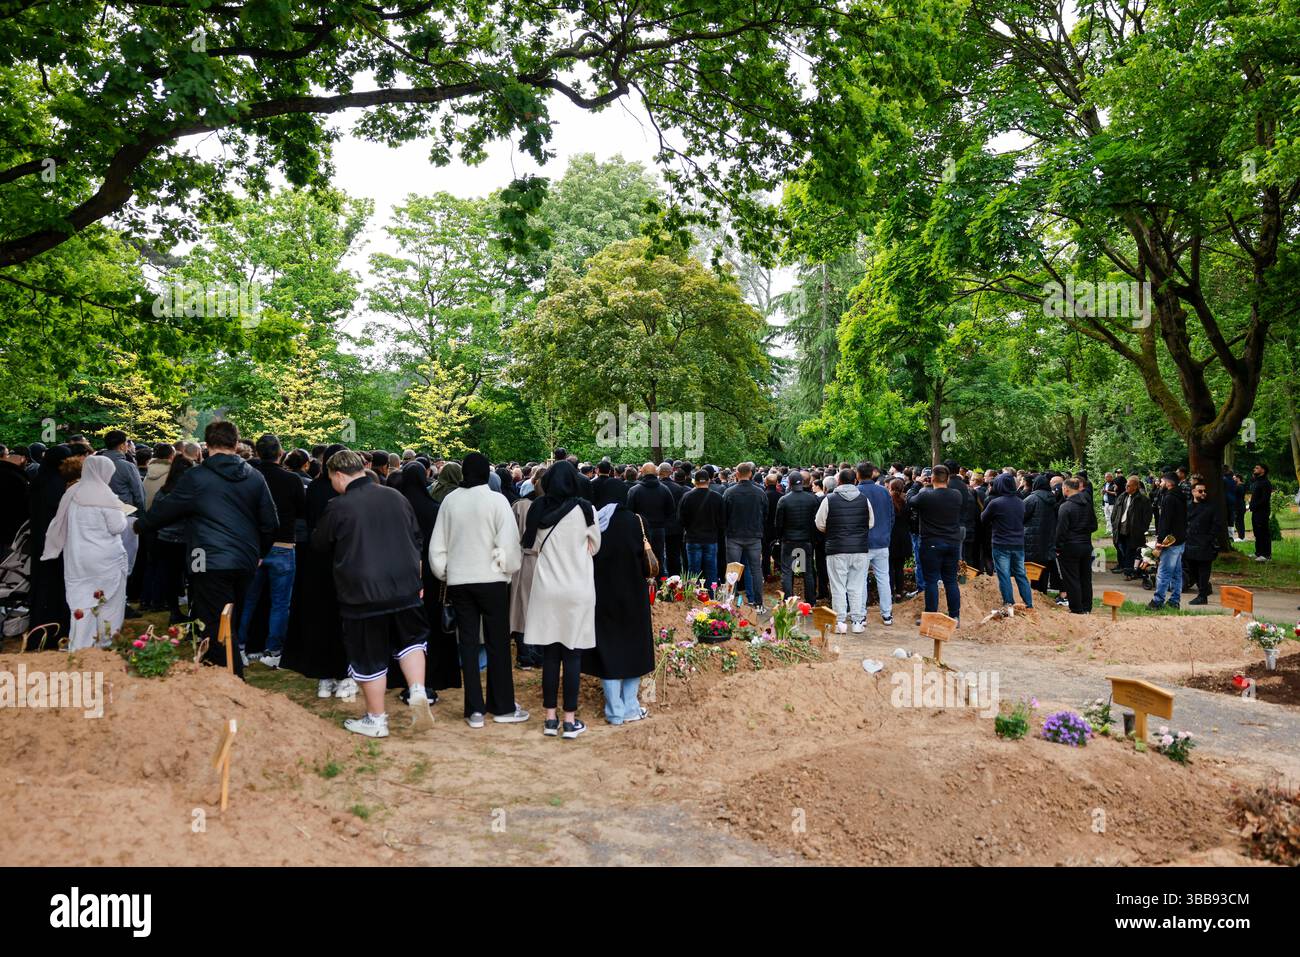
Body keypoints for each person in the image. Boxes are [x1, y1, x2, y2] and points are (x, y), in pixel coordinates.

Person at [133, 420, 278, 678]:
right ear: (236, 442)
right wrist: (258, 553)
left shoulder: (197, 477)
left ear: (207, 445)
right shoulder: (254, 477)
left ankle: (229, 678)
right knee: (228, 620)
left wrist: (139, 525)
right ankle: (222, 673)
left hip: (207, 560)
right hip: (242, 560)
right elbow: (270, 523)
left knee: (213, 621)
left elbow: (168, 508)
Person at [310, 450, 433, 738]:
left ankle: (376, 719)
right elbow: (417, 537)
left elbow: (319, 543)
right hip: (405, 585)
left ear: (339, 475)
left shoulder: (339, 506)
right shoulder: (396, 496)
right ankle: (417, 689)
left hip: (362, 592)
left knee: (369, 654)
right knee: (412, 640)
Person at [428, 451, 528, 728]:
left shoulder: (450, 501)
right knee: (497, 643)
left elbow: (438, 545)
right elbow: (508, 543)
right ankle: (503, 706)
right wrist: (505, 568)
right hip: (493, 581)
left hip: (460, 582)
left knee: (468, 644)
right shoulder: (497, 501)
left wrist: (448, 572)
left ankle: (474, 709)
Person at [521, 461, 600, 739]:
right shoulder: (585, 509)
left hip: (547, 589)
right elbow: (595, 546)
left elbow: (529, 545)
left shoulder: (538, 509)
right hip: (577, 588)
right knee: (573, 654)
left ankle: (550, 719)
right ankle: (569, 720)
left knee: (551, 655)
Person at [283, 444, 354, 699]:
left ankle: (324, 676)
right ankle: (343, 675)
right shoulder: (345, 493)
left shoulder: (314, 488)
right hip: (342, 562)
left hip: (317, 562)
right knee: (343, 619)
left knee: (321, 619)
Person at [40, 455, 132, 650]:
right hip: (106, 558)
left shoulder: (72, 492)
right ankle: (105, 643)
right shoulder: (105, 494)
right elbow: (117, 526)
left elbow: (60, 521)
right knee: (109, 603)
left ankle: (80, 644)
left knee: (81, 601)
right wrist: (122, 514)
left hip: (77, 557)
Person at [584, 479, 655, 725]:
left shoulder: (593, 524)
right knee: (634, 649)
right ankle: (630, 706)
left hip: (601, 594)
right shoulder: (638, 522)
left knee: (608, 649)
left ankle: (613, 710)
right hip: (633, 594)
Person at [239, 434, 306, 668]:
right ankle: (273, 649)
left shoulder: (248, 478)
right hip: (283, 545)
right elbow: (301, 510)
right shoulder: (291, 480)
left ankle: (240, 646)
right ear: (280, 453)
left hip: (254, 545)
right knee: (280, 602)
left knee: (248, 600)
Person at [815, 467, 873, 633]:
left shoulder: (829, 499)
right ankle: (857, 622)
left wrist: (832, 530)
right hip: (860, 549)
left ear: (838, 481)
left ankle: (840, 622)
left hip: (836, 548)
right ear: (855, 481)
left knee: (838, 586)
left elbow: (819, 523)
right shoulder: (864, 499)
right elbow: (871, 523)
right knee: (856, 586)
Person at [906, 465, 963, 623]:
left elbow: (910, 501)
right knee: (951, 580)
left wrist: (917, 484)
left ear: (931, 479)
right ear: (948, 479)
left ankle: (931, 616)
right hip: (952, 543)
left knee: (931, 580)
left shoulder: (925, 496)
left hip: (931, 543)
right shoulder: (957, 495)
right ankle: (954, 616)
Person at [149, 454, 193, 624]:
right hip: (188, 542)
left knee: (170, 578)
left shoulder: (163, 492)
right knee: (195, 577)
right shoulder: (190, 494)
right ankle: (192, 611)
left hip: (165, 540)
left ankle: (174, 611)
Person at [510, 470, 546, 669]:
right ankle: (538, 654)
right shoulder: (556, 508)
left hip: (525, 561)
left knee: (523, 608)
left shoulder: (521, 505)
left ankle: (526, 656)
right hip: (544, 561)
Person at [980, 472, 1033, 610]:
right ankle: (1029, 604)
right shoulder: (1021, 502)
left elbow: (983, 519)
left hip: (1000, 543)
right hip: (1018, 543)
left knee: (1004, 575)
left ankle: (1009, 602)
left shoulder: (995, 503)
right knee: (1021, 574)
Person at [722, 462, 768, 611]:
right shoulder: (760, 492)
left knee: (732, 571)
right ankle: (758, 603)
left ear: (737, 474)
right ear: (750, 474)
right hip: (754, 536)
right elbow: (765, 513)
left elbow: (724, 515)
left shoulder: (729, 492)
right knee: (756, 569)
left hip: (734, 535)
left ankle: (728, 602)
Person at [856, 462, 895, 626]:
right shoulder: (884, 492)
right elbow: (891, 516)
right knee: (883, 578)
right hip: (882, 541)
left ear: (858, 475)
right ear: (872, 473)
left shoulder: (857, 492)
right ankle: (887, 614)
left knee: (860, 579)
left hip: (862, 543)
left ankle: (861, 615)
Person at [775, 471, 818, 602]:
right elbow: (815, 521)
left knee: (787, 571)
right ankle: (810, 601)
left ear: (789, 483)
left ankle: (789, 600)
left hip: (789, 540)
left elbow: (779, 523)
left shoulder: (784, 500)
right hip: (806, 540)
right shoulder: (812, 499)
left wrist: (779, 537)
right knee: (808, 571)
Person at [1056, 478, 1097, 614]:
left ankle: (1076, 608)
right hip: (1086, 545)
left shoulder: (1065, 507)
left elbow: (1061, 530)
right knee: (1086, 577)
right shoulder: (1087, 504)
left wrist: (1058, 547)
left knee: (1072, 578)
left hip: (1070, 546)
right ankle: (1087, 607)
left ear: (1066, 489)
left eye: (1062, 488)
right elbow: (1094, 526)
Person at [1149, 472, 1186, 610]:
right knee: (1176, 572)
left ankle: (1157, 601)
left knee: (1163, 572)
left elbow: (1165, 521)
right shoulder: (1181, 495)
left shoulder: (1169, 498)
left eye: (1162, 481)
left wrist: (1159, 540)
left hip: (1170, 540)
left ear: (1169, 482)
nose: (1160, 483)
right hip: (1180, 539)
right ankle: (1174, 601)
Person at [627, 462, 674, 573]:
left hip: (640, 530)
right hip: (659, 529)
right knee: (659, 559)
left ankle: (643, 586)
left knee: (641, 558)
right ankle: (660, 585)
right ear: (656, 473)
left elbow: (629, 512)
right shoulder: (665, 490)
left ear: (642, 473)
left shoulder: (634, 491)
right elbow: (671, 511)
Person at [1021, 475, 1059, 594]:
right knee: (1044, 568)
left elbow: (1021, 516)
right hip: (1048, 539)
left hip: (1032, 540)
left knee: (1032, 569)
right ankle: (1043, 593)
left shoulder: (1031, 499)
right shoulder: (1053, 499)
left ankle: (1033, 594)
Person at [1111, 475, 1152, 578]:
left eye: (1129, 486)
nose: (1126, 487)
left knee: (1132, 550)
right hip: (1120, 528)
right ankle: (1127, 569)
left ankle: (1130, 572)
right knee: (1122, 549)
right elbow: (1115, 512)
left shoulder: (1142, 499)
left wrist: (1142, 529)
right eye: (1126, 485)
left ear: (1136, 487)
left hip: (1134, 530)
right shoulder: (1122, 496)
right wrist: (1114, 523)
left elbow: (1147, 516)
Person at [1184, 479, 1218, 605]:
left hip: (1204, 545)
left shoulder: (1211, 507)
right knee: (1192, 571)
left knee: (1203, 571)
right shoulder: (1187, 506)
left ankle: (1202, 595)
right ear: (1193, 492)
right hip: (1190, 543)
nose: (1203, 493)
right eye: (1200, 491)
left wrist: (1209, 539)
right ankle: (1204, 589)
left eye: (1204, 491)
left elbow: (1216, 525)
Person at [887, 478, 912, 602]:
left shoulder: (888, 502)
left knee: (889, 567)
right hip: (903, 538)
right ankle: (899, 592)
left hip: (891, 538)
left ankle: (890, 591)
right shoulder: (906, 502)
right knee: (899, 568)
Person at [1248, 464, 1273, 561]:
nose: (1254, 469)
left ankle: (1266, 555)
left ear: (1263, 470)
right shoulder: (1258, 481)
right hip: (1256, 511)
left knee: (1263, 532)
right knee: (1257, 532)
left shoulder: (1265, 483)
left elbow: (1265, 498)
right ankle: (1258, 553)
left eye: (1257, 468)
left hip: (1262, 512)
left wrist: (1254, 505)